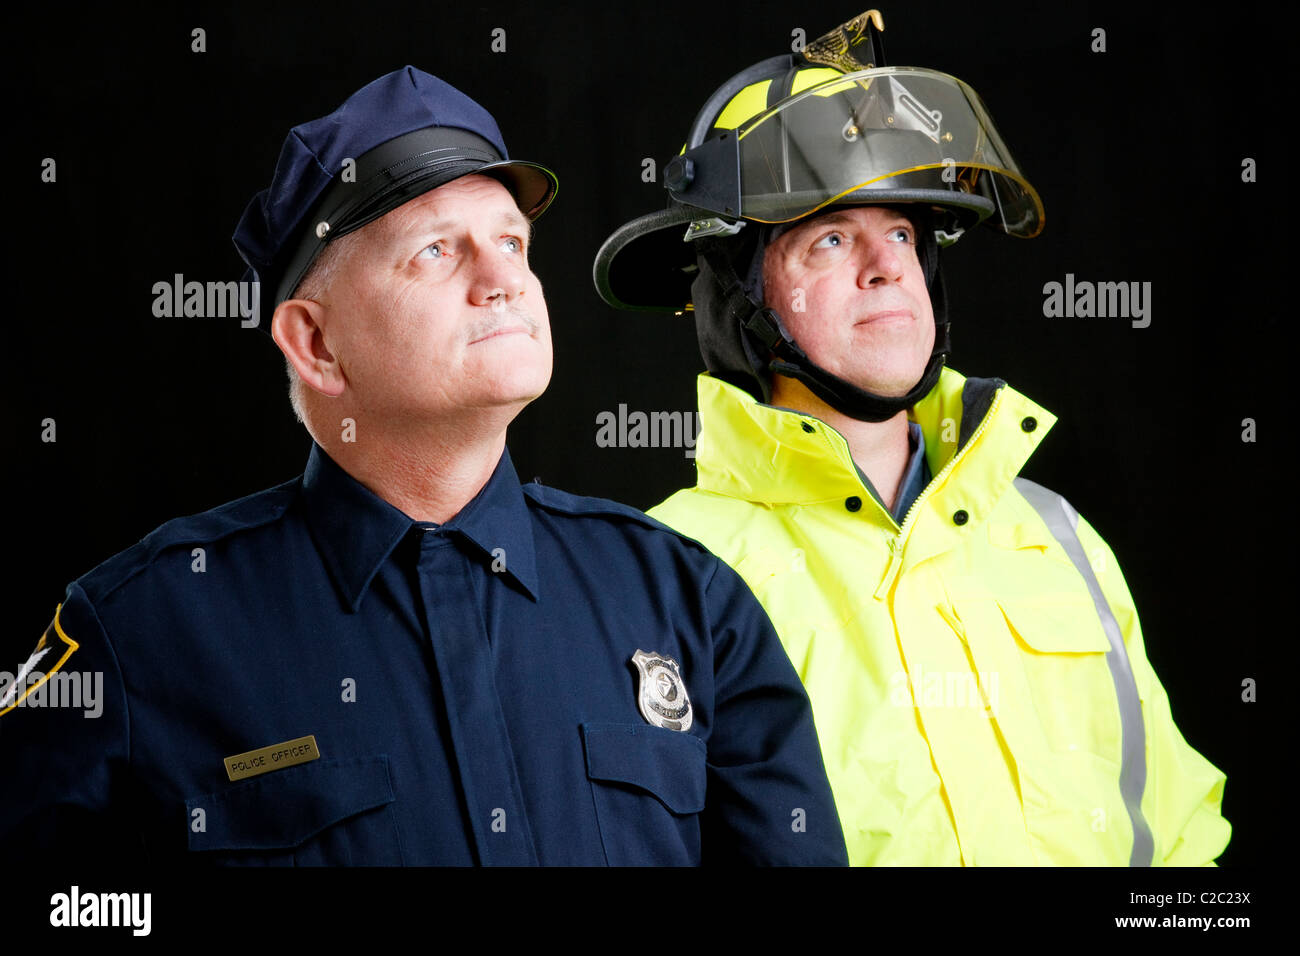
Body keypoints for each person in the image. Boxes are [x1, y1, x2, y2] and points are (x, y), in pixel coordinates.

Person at [0, 67, 847, 866]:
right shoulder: (141, 631)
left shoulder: (688, 601)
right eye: (437, 252)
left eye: (512, 243)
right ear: (316, 342)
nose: (502, 280)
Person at [593, 10, 1230, 865]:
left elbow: (1183, 831)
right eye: (829, 238)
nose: (887, 264)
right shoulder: (665, 572)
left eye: (901, 232)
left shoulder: (1057, 537)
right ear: (739, 299)